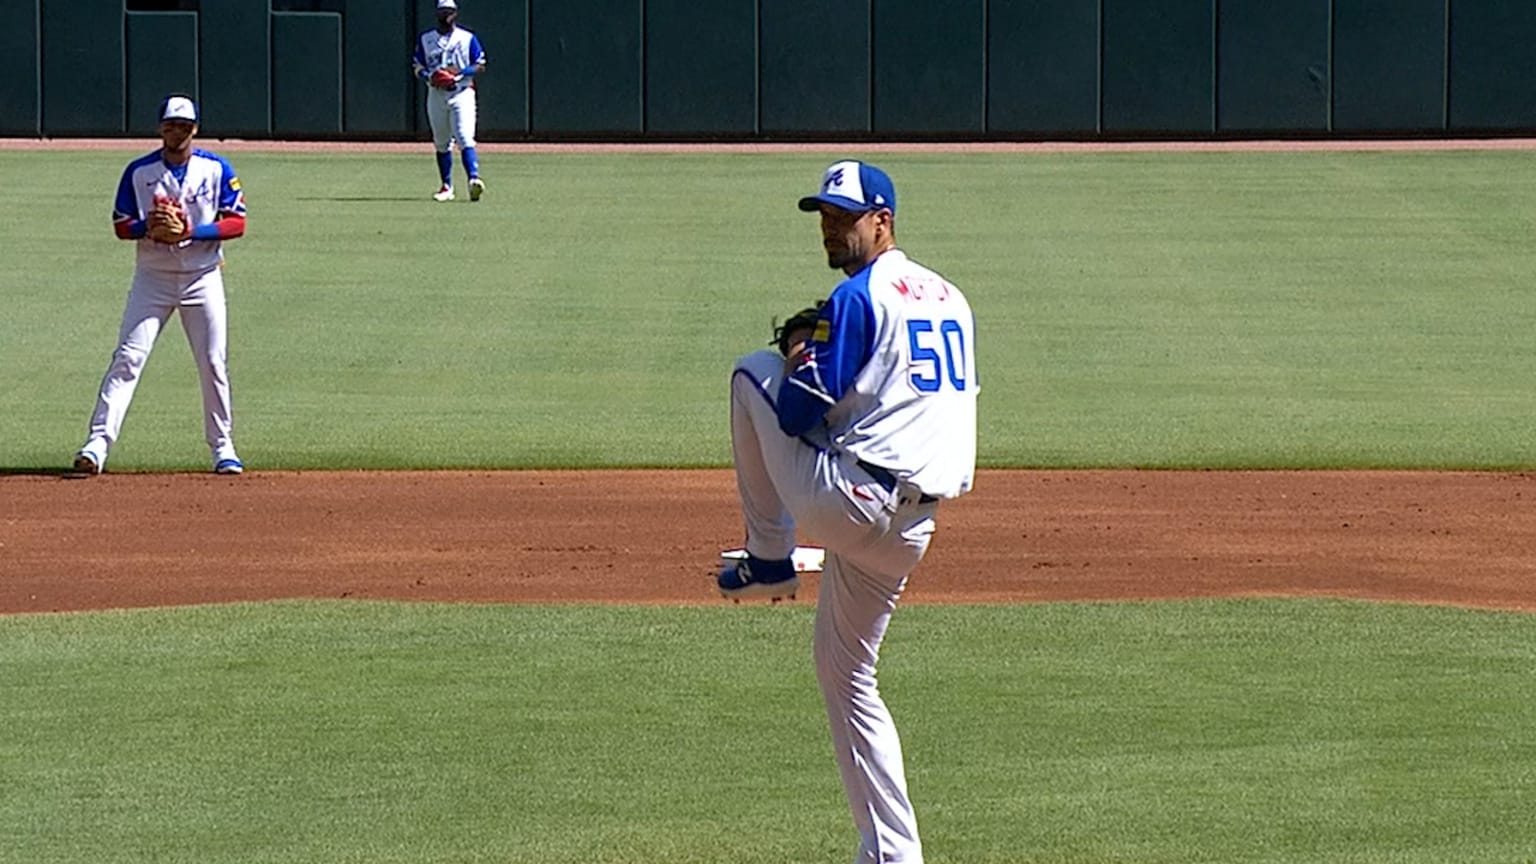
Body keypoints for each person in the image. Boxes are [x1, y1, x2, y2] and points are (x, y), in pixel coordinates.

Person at [718, 161, 978, 864]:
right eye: (825, 217)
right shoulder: (951, 297)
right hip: (912, 530)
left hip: (851, 505)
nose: (831, 229)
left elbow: (797, 412)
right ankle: (894, 854)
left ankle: (769, 557)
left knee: (750, 374)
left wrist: (800, 353)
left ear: (882, 221)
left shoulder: (860, 297)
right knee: (846, 674)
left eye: (845, 218)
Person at [73, 94, 247, 477]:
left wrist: (192, 231)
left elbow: (237, 222)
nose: (177, 132)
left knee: (212, 362)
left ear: (194, 129)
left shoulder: (216, 168)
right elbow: (121, 226)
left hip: (202, 277)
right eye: (170, 125)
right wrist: (147, 227)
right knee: (128, 358)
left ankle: (223, 447)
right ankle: (97, 445)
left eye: (183, 126)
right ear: (160, 128)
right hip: (152, 279)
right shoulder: (139, 172)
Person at [412, 0, 487, 202]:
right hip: (436, 93)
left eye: (450, 11)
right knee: (441, 141)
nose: (446, 15)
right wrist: (430, 76)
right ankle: (447, 186)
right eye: (443, 11)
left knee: (464, 137)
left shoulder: (467, 38)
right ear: (437, 13)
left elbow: (480, 64)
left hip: (462, 92)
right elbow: (418, 66)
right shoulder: (426, 39)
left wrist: (459, 74)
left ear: (455, 13)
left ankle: (473, 179)